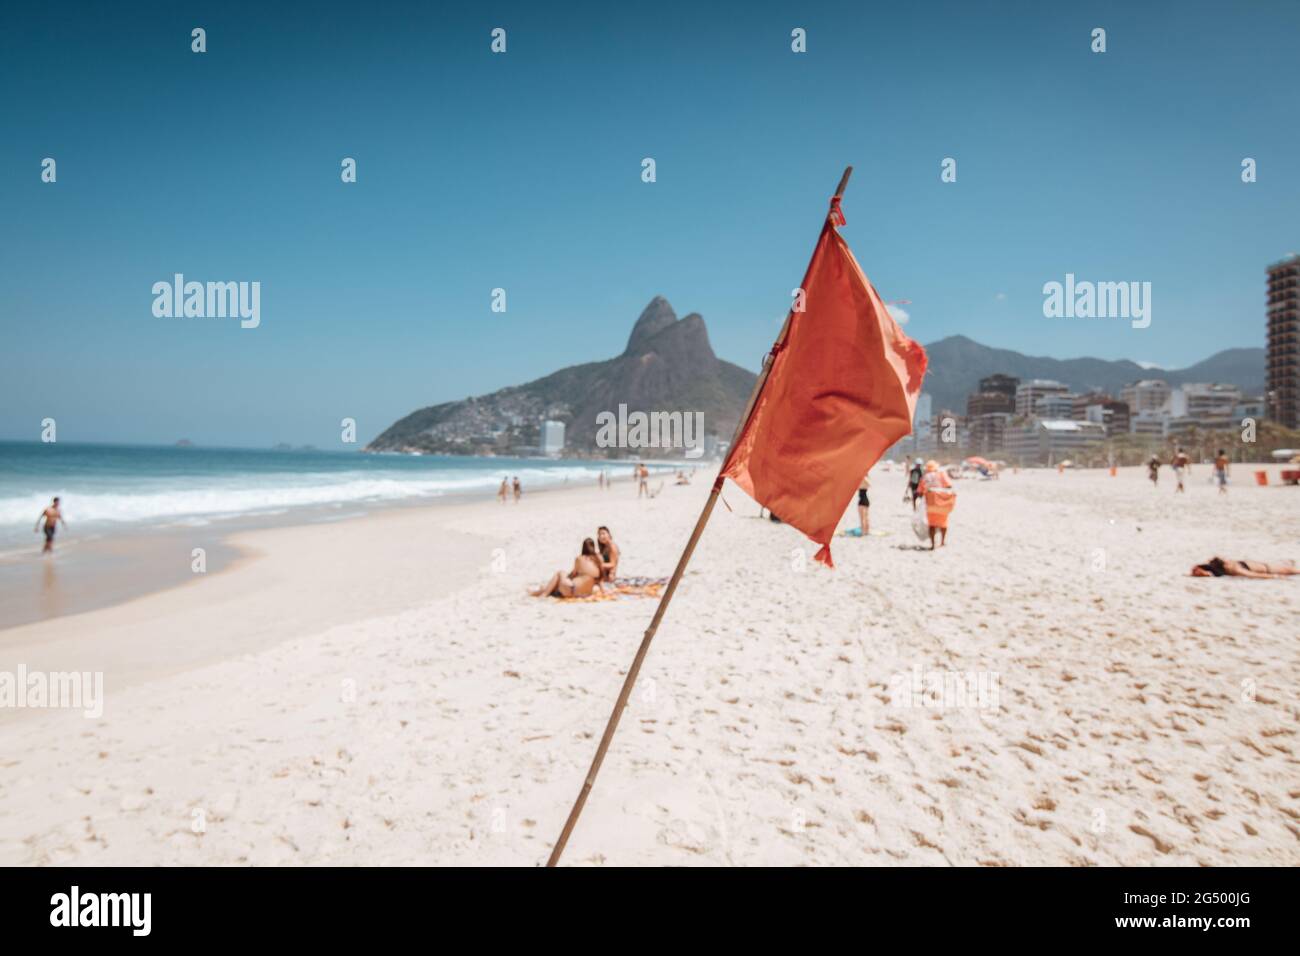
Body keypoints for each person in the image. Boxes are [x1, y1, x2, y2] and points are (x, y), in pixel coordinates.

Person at [530, 538, 603, 597]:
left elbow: (573, 574)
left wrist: (566, 578)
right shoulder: (599, 560)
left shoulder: (580, 559)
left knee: (560, 573)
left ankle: (543, 594)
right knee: (556, 585)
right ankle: (541, 591)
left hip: (573, 590)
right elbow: (599, 579)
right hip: (585, 593)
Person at [919, 461, 954, 550]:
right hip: (942, 502)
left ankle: (933, 544)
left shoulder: (925, 477)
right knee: (943, 523)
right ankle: (942, 541)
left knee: (932, 524)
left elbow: (920, 491)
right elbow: (949, 486)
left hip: (931, 503)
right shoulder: (941, 474)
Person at [1191, 557, 1299, 579]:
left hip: (1269, 568)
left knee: (1293, 570)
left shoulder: (1232, 569)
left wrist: (1274, 576)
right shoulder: (1229, 565)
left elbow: (1254, 575)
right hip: (1265, 565)